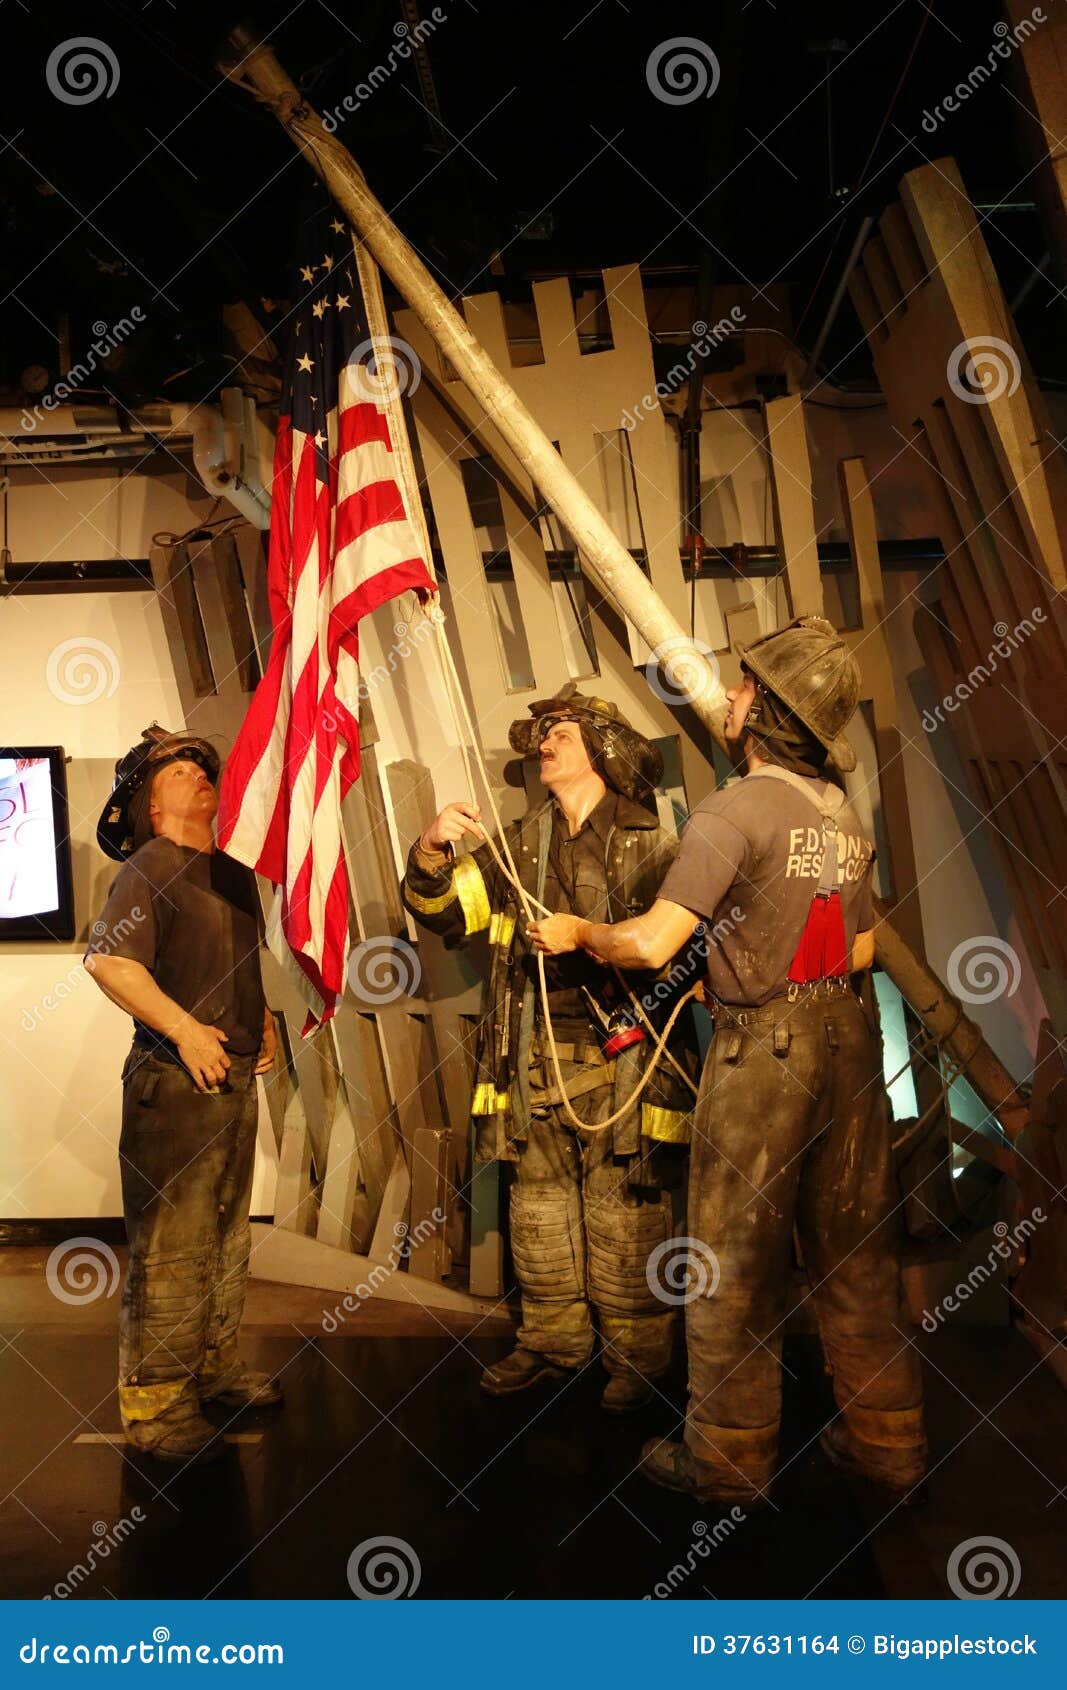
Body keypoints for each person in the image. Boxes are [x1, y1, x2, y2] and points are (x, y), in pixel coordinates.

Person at [530, 618, 926, 1505]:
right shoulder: (840, 815)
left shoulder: (733, 808)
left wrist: (582, 932)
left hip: (765, 1057)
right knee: (855, 1258)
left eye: (746, 686)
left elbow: (648, 943)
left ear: (770, 712)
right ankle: (887, 1447)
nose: (732, 696)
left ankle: (726, 1466)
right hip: (849, 1043)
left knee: (729, 1265)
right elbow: (858, 945)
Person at [401, 685, 700, 1412]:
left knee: (626, 1212)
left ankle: (638, 1359)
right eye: (541, 735)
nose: (544, 745)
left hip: (628, 1066)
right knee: (536, 1211)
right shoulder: (516, 847)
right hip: (532, 1059)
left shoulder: (657, 841)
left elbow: (696, 948)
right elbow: (445, 913)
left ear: (599, 747)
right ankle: (552, 1343)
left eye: (560, 733)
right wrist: (431, 847)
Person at [85, 724, 281, 1465]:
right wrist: (189, 1032)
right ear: (148, 805)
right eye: (179, 771)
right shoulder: (150, 867)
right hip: (173, 1083)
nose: (201, 774)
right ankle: (157, 1400)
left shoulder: (230, 872)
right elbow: (109, 964)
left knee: (226, 1236)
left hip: (227, 1081)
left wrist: (259, 1020)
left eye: (204, 766)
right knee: (172, 1246)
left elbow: (233, 962)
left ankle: (212, 1368)